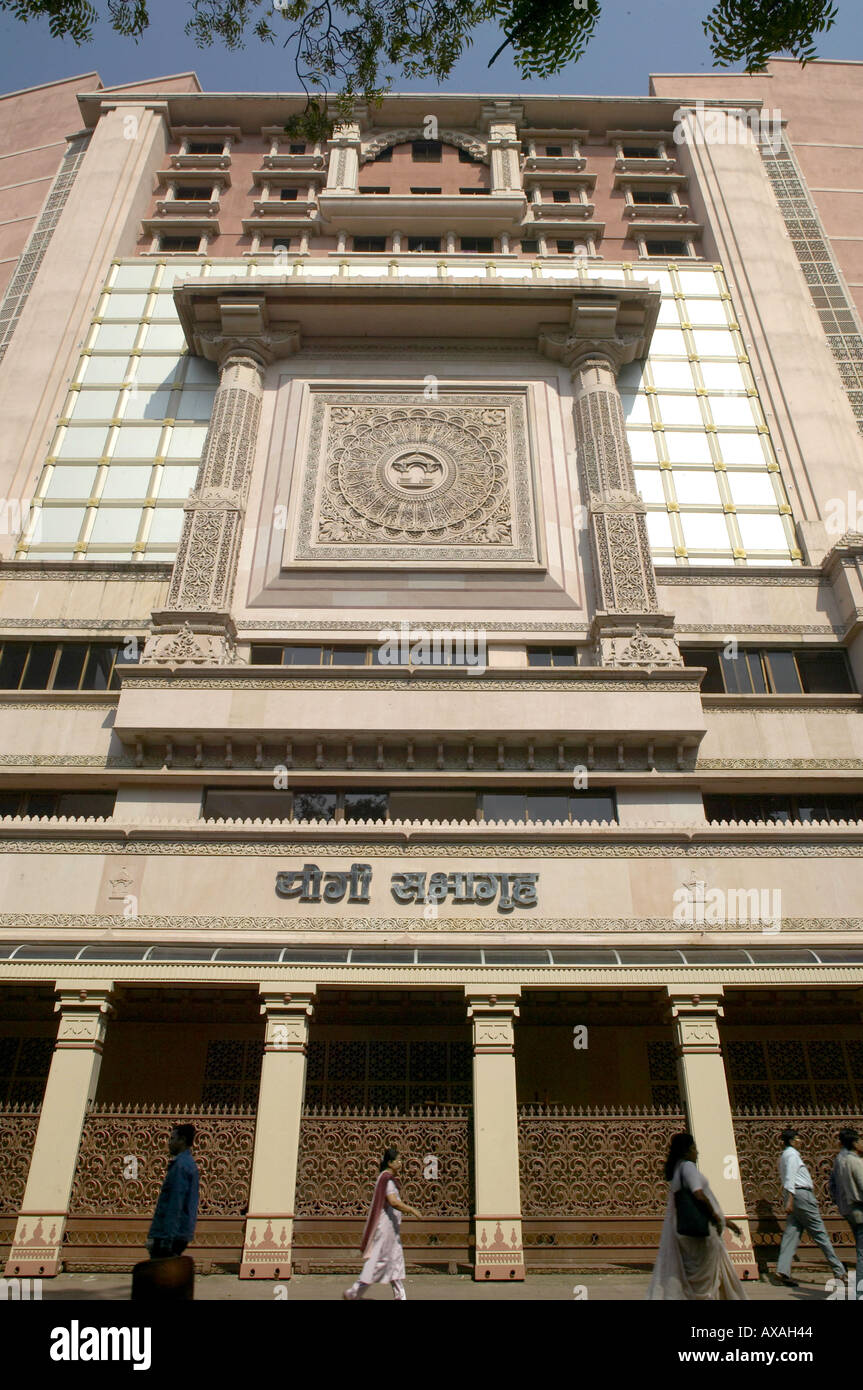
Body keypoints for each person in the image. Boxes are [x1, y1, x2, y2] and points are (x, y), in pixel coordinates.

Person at [647, 1131, 747, 1300]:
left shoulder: (677, 1169)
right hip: (701, 1230)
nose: (697, 1152)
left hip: (684, 1229)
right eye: (694, 1148)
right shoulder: (688, 1167)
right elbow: (699, 1194)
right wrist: (715, 1216)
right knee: (705, 1276)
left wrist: (727, 1222)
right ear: (687, 1151)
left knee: (692, 1275)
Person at [343, 1147, 422, 1301]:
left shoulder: (385, 1178)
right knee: (379, 1264)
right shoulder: (387, 1179)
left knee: (393, 1261)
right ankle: (354, 1293)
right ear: (390, 1163)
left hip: (390, 1230)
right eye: (398, 1160)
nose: (400, 1163)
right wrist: (412, 1210)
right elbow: (393, 1201)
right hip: (386, 1231)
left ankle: (399, 1295)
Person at [776, 1127, 846, 1287]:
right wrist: (790, 1199)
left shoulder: (785, 1155)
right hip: (801, 1195)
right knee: (820, 1233)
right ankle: (839, 1271)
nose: (800, 1141)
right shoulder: (792, 1155)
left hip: (794, 1196)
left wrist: (789, 1198)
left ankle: (782, 1270)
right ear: (792, 1141)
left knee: (791, 1234)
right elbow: (790, 1177)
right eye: (797, 1138)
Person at [147, 1124, 200, 1259]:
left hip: (169, 1234)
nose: (169, 1143)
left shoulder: (180, 1166)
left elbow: (175, 1203)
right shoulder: (190, 1164)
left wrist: (167, 1239)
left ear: (182, 1140)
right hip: (180, 1233)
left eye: (172, 1138)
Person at [830, 1127, 863, 1298]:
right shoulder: (854, 1161)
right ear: (855, 1143)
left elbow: (832, 1186)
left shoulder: (840, 1159)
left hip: (849, 1209)